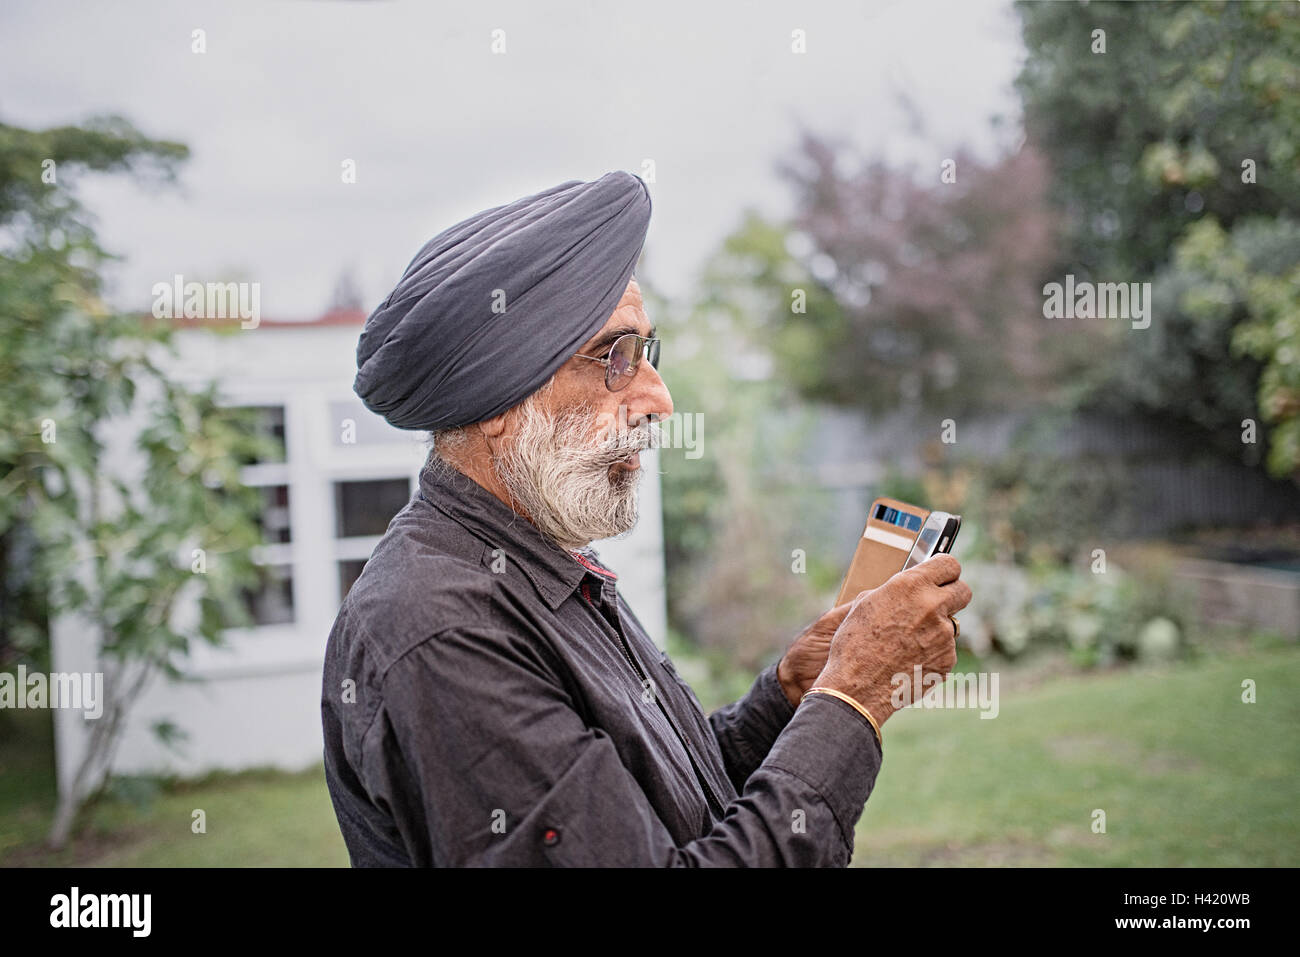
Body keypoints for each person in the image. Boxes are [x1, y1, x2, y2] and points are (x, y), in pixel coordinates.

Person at [321, 170, 971, 866]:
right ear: (498, 400)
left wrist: (788, 694)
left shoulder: (532, 562)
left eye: (647, 354)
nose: (659, 398)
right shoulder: (444, 628)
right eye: (616, 358)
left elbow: (649, 809)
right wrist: (852, 698)